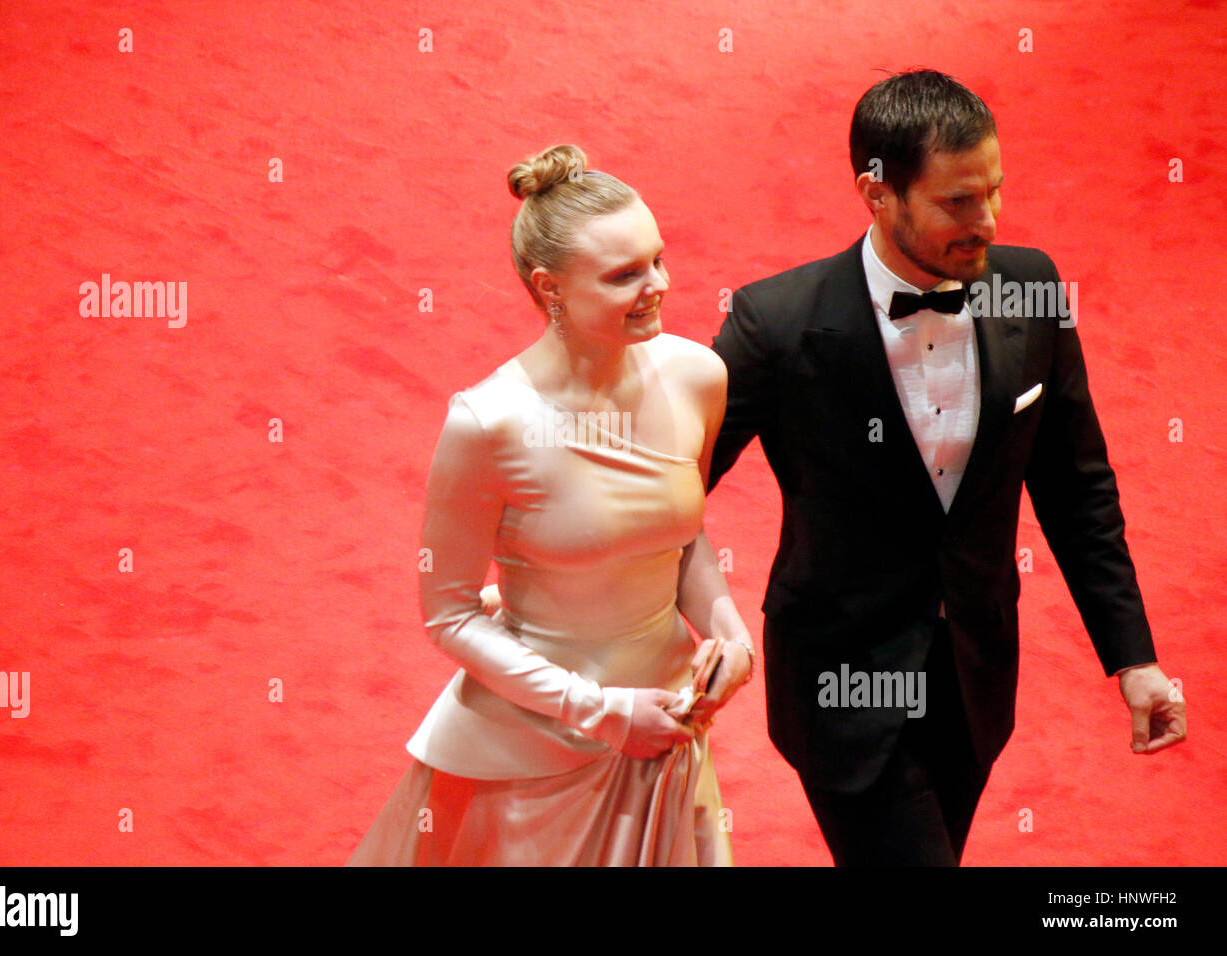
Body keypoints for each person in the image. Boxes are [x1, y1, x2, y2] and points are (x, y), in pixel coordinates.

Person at [708, 69, 1186, 866]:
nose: (988, 222)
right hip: (841, 691)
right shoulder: (776, 325)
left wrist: (1133, 658)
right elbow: (671, 486)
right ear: (876, 192)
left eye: (994, 191)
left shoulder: (1029, 290)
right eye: (957, 203)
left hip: (972, 682)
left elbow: (1077, 490)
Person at [348, 144, 754, 866]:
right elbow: (449, 614)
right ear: (550, 287)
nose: (658, 284)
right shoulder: (486, 423)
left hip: (665, 732)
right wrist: (602, 712)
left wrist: (729, 632)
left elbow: (677, 537)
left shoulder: (698, 376)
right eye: (625, 274)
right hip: (532, 757)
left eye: (658, 259)